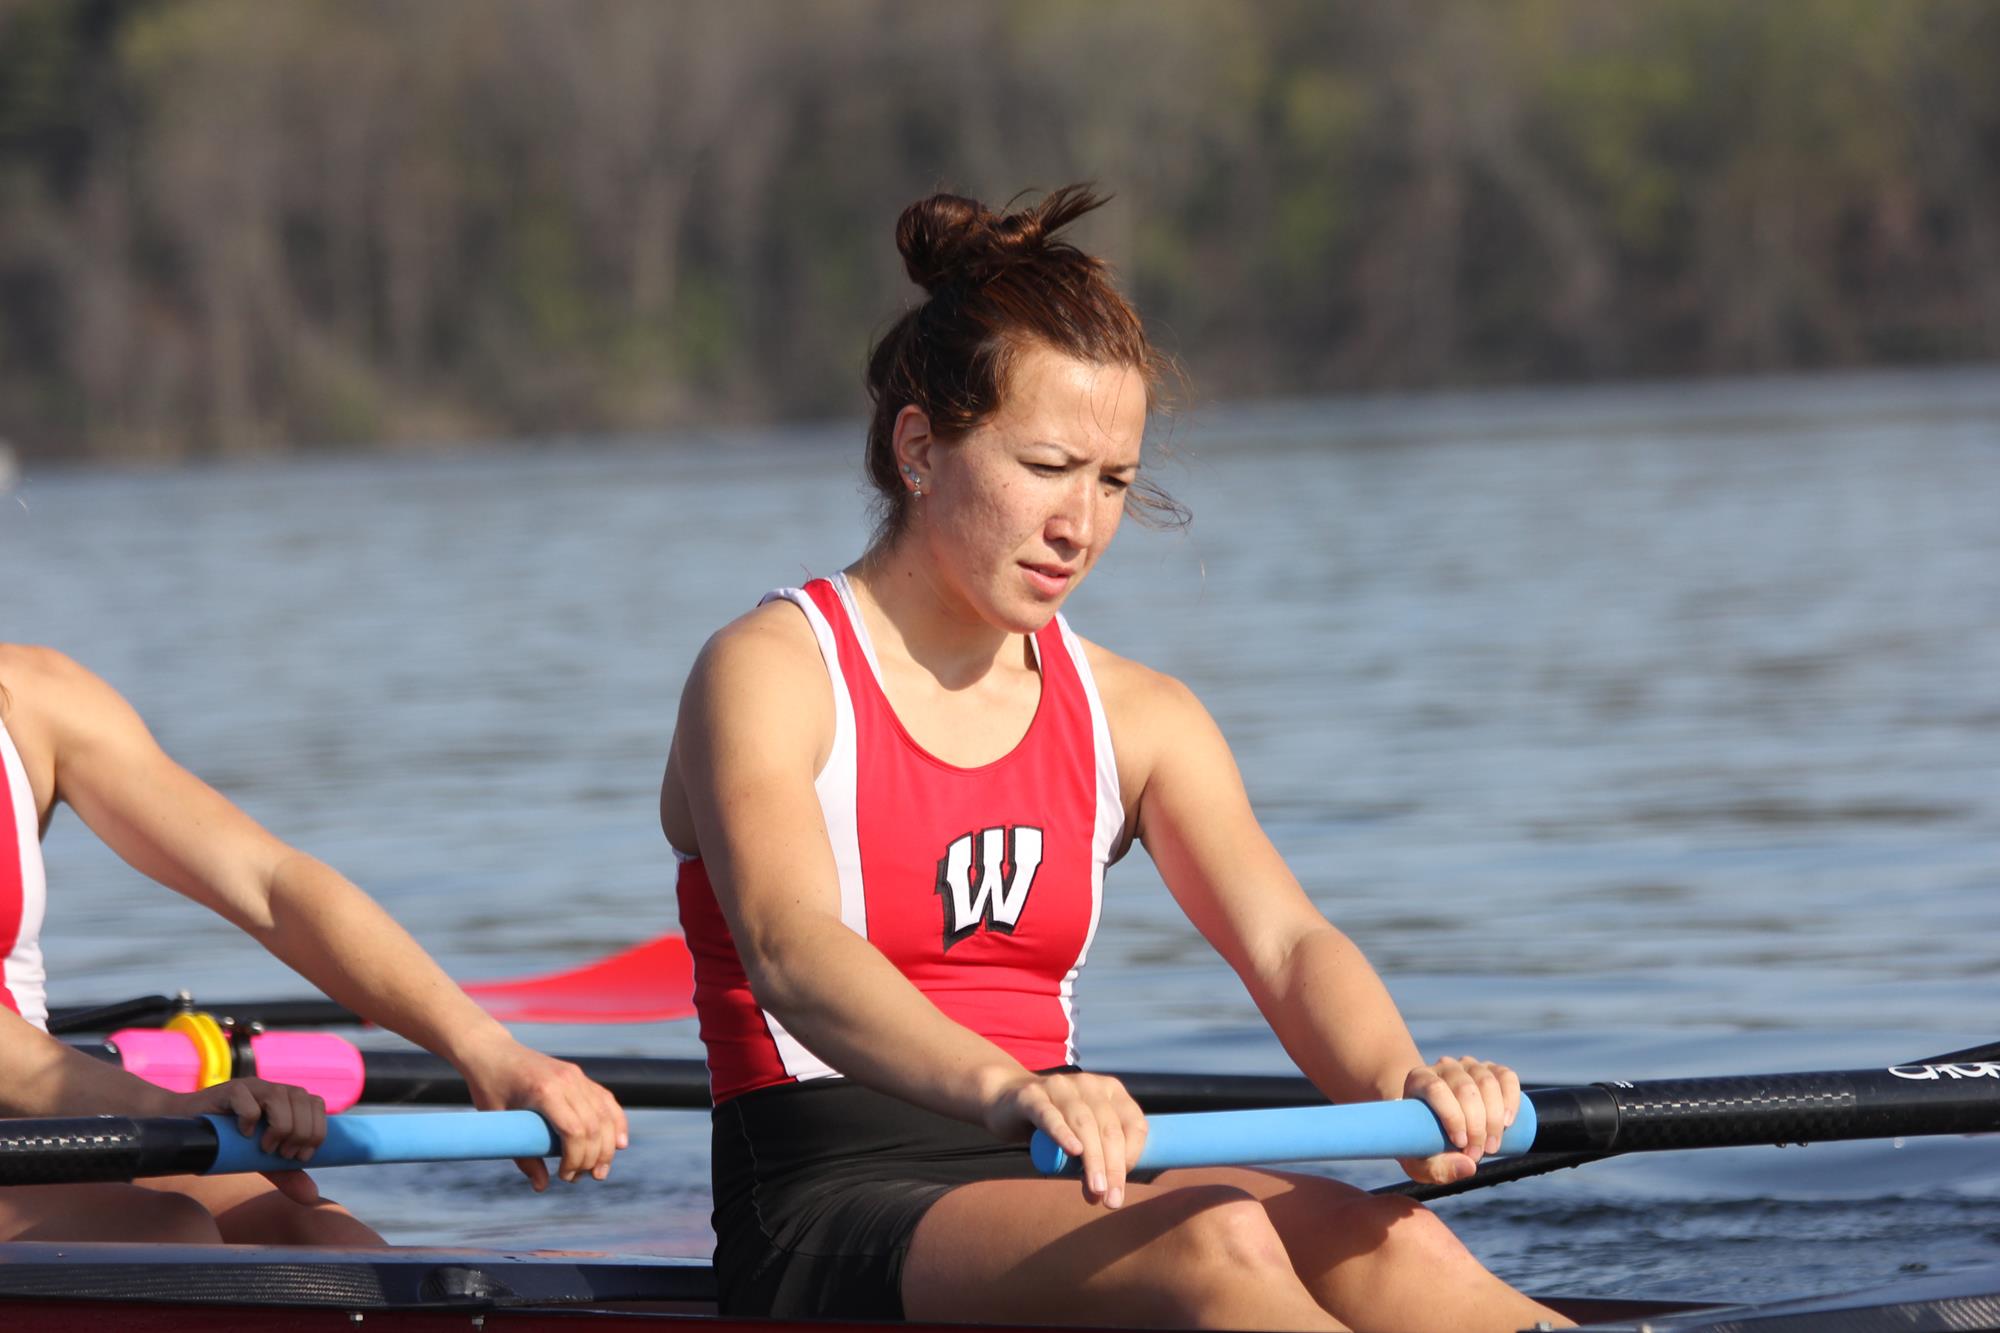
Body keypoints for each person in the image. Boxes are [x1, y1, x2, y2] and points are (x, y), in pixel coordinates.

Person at [659, 186, 1571, 1331]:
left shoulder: (1140, 714)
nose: (1080, 526)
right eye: (1046, 466)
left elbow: (1286, 947)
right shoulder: (768, 669)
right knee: (1216, 1246)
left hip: (1057, 1168)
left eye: (1112, 482)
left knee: (1396, 1245)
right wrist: (1010, 1090)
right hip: (826, 1204)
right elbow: (792, 949)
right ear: (918, 449)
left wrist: (1406, 1091)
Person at [0, 644, 629, 1244]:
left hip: (47, 1124)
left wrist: (488, 1051)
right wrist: (168, 1107)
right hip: (49, 1116)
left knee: (329, 1244)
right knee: (168, 1237)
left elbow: (269, 885)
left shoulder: (43, 699)